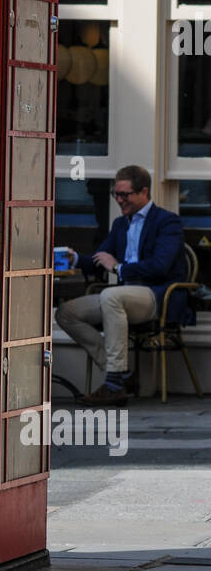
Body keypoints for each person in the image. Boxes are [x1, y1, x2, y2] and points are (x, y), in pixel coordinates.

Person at [55, 164, 190, 405]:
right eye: (116, 195)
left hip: (156, 295)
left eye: (124, 195)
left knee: (111, 296)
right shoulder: (120, 224)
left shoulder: (167, 222)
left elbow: (160, 266)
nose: (119, 200)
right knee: (67, 313)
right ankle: (121, 375)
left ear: (144, 192)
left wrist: (118, 268)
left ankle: (113, 383)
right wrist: (75, 259)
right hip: (122, 298)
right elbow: (101, 260)